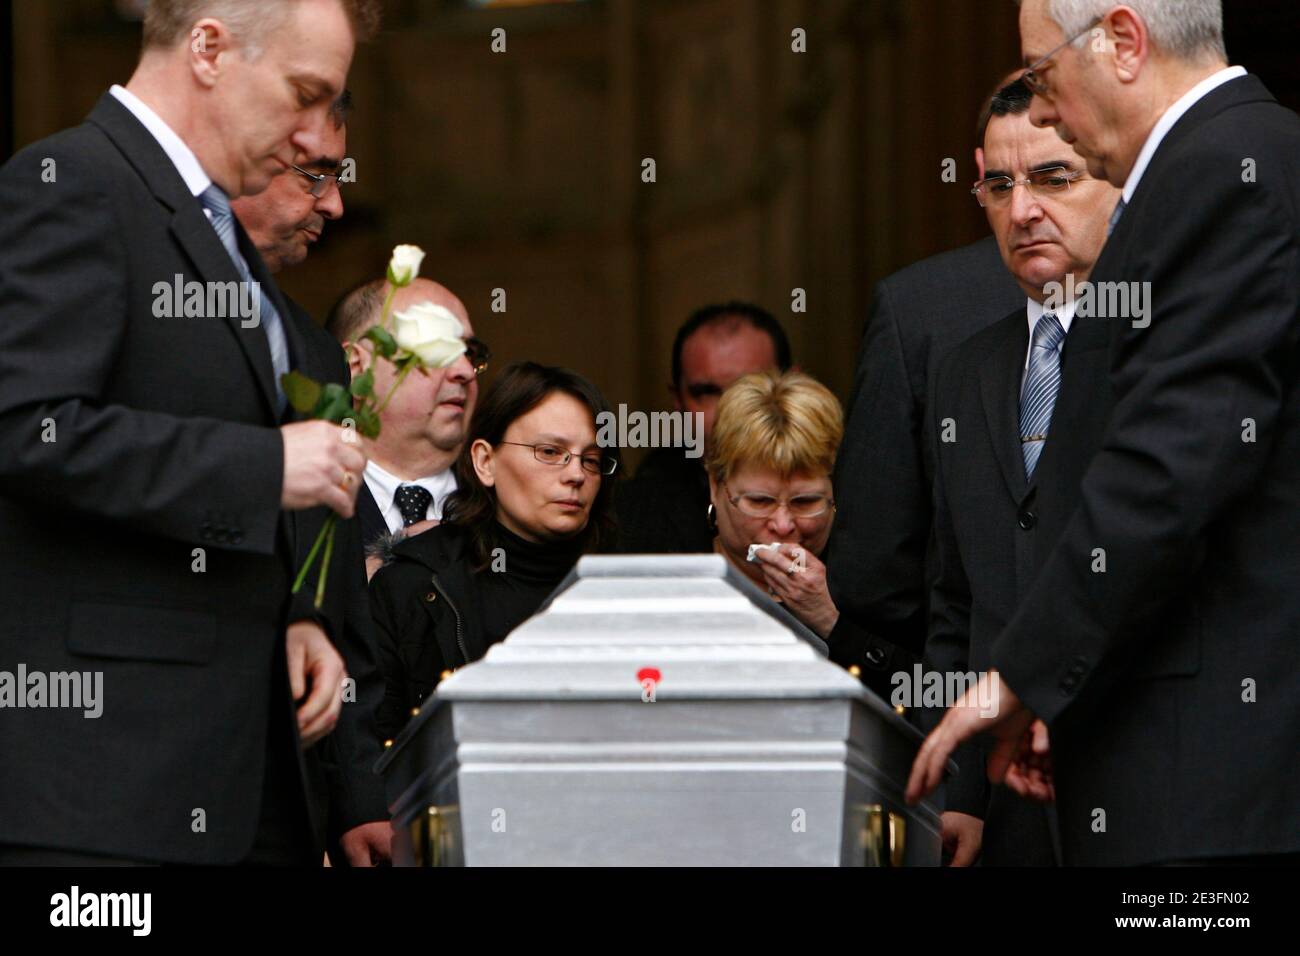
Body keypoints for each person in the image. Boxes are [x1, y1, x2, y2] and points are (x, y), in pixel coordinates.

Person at [910, 0, 1300, 866]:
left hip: (1209, 786)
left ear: (1122, 42)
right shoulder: (1221, 162)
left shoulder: (1216, 170)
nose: (1042, 111)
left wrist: (1025, 676)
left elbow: (1168, 467)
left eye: (1044, 78)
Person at [0, 0, 380, 865]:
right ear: (208, 48)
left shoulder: (221, 232)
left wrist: (297, 613)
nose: (311, 136)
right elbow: (26, 427)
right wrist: (265, 466)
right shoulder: (72, 179)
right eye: (303, 91)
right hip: (106, 798)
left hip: (239, 787)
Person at [925, 76, 1120, 866]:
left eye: (1052, 178)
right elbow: (954, 602)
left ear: (1115, 178)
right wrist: (962, 791)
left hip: (1135, 772)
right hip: (1004, 810)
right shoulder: (964, 368)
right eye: (999, 185)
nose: (1022, 209)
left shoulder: (1163, 345)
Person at [825, 73, 1025, 697]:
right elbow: (872, 565)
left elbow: (876, 579)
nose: (1025, 207)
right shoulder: (921, 313)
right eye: (1004, 181)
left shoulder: (1156, 298)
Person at [233, 92, 392, 866]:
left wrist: (357, 796)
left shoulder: (318, 355)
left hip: (291, 776)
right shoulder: (158, 309)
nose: (335, 202)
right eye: (314, 176)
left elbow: (337, 581)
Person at [369, 362, 620, 742]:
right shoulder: (414, 585)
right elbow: (373, 759)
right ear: (485, 462)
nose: (576, 475)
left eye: (591, 459)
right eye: (551, 451)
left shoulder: (621, 590)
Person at [705, 371, 884, 671]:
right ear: (715, 486)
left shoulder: (875, 589)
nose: (783, 524)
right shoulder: (677, 584)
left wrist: (830, 619)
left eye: (806, 502)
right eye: (760, 501)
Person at [327, 277, 487, 571]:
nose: (465, 371)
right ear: (355, 367)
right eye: (437, 348)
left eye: (469, 353)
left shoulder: (505, 505)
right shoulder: (303, 505)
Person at [617, 302, 791, 554]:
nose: (728, 410)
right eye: (707, 393)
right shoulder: (636, 513)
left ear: (793, 387)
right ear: (677, 400)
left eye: (750, 389)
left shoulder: (846, 495)